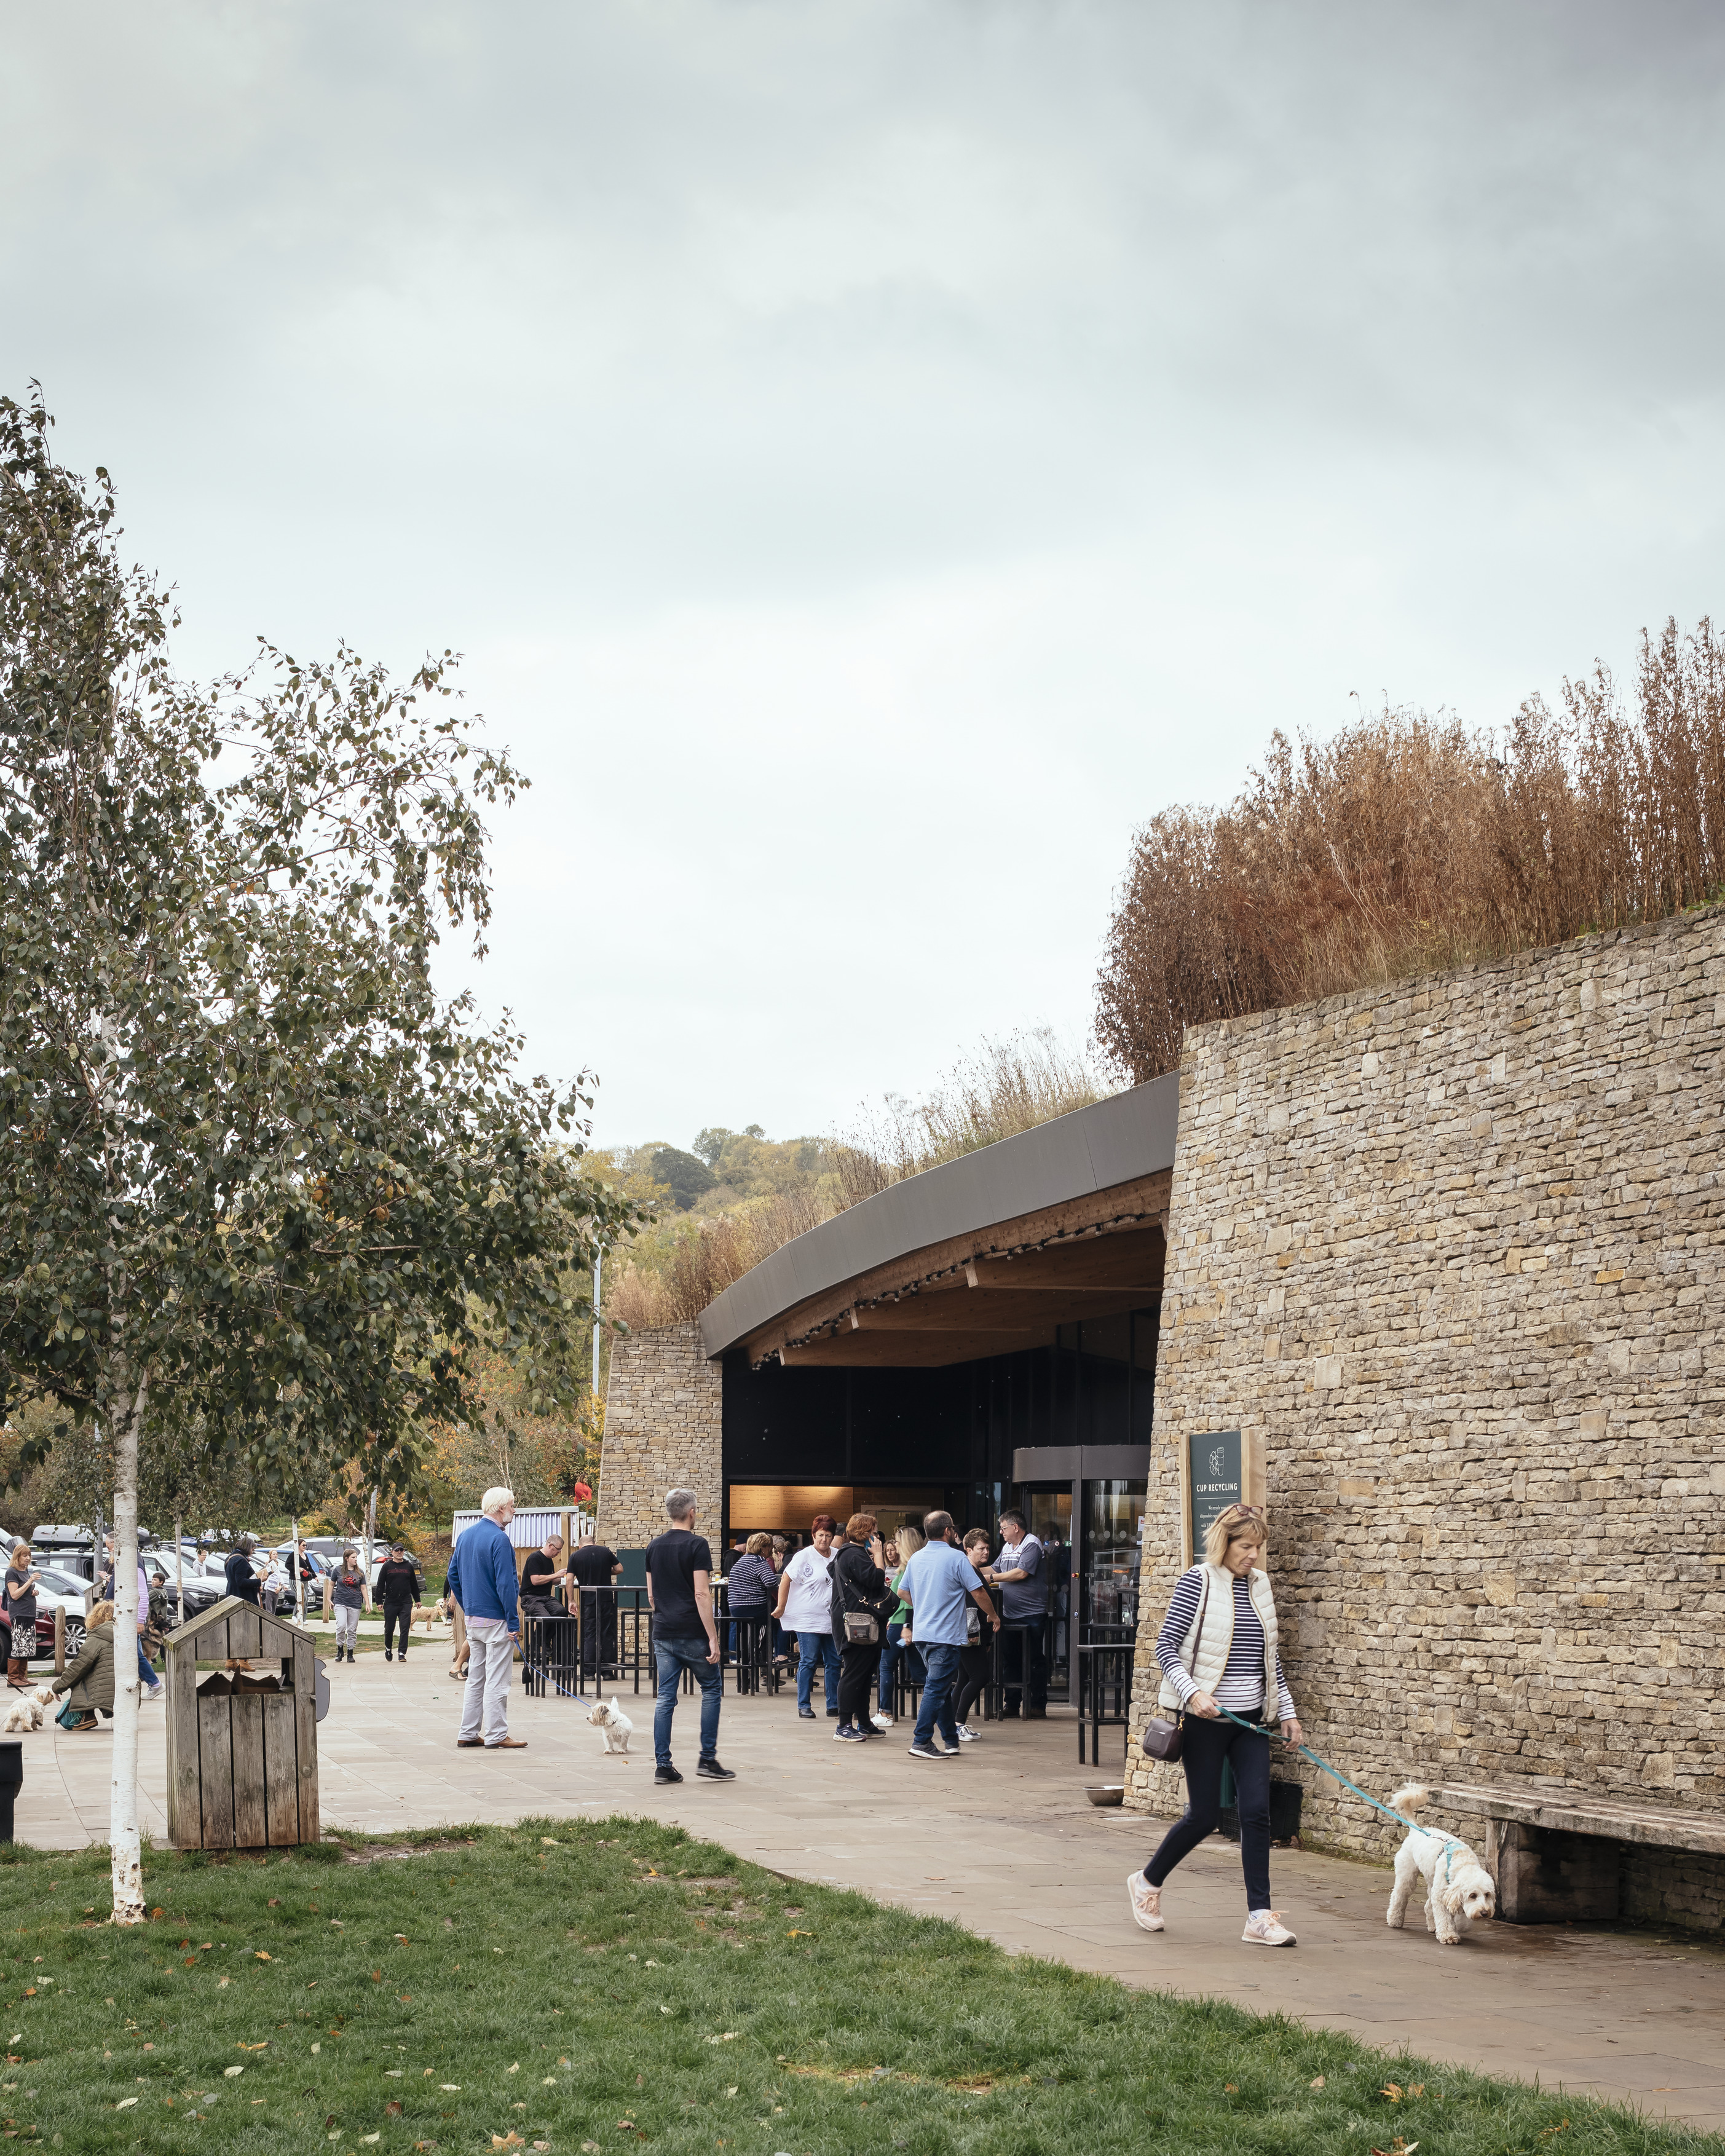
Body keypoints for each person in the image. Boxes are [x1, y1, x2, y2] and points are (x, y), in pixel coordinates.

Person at [1128, 1502, 1304, 1949]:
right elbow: (1165, 1646)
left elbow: (1271, 1661)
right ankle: (1147, 1883)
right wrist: (1194, 1693)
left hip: (1251, 1722)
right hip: (1204, 1720)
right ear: (1224, 1542)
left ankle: (1259, 1917)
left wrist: (1288, 1711)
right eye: (1246, 1546)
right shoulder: (1198, 1580)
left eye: (1258, 1547)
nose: (1253, 1555)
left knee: (1257, 1814)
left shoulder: (1260, 1585)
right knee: (1204, 1814)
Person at [645, 1487, 733, 1785]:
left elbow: (652, 1596)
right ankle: (707, 1758)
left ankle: (663, 1766)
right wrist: (713, 1637)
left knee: (665, 1699)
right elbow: (701, 1593)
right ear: (692, 1512)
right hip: (692, 1631)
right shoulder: (698, 1545)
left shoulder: (654, 1546)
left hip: (664, 1631)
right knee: (711, 1689)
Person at [899, 1512, 998, 1759]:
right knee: (936, 1688)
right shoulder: (956, 1558)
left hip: (923, 1634)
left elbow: (902, 1592)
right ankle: (921, 1740)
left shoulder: (917, 1558)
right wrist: (994, 1616)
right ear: (948, 1531)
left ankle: (951, 1740)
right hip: (945, 1636)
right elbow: (978, 1592)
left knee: (940, 1688)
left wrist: (924, 1608)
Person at [445, 1487, 526, 1748]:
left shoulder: (466, 1535)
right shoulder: (499, 1539)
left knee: (476, 1678)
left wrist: (468, 1604)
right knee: (498, 1681)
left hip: (474, 1620)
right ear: (501, 1507)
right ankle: (497, 1735)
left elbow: (453, 1575)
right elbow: (507, 1584)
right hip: (496, 1620)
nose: (514, 1510)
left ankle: (468, 1733)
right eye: (512, 1505)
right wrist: (513, 1622)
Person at [829, 1512, 891, 1742]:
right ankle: (844, 1725)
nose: (877, 1537)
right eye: (874, 1532)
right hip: (856, 1623)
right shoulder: (854, 1554)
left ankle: (864, 1722)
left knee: (865, 1674)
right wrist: (879, 1556)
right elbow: (875, 1579)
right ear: (864, 1533)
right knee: (855, 1673)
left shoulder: (851, 1554)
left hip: (863, 1621)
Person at [774, 1514, 839, 1720]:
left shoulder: (838, 1554)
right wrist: (781, 1606)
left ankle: (833, 1704)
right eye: (820, 1535)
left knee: (834, 1662)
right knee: (809, 1660)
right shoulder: (804, 1556)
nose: (824, 1540)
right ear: (814, 1535)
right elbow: (786, 1579)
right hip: (808, 1617)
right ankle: (803, 1704)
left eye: (828, 1535)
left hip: (832, 1617)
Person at [992, 1510, 1047, 1719]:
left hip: (1032, 1613)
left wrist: (990, 1578)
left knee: (1034, 1659)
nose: (1001, 1532)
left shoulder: (1031, 1544)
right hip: (1010, 1613)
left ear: (1016, 1527)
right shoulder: (1008, 1548)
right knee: (1011, 1659)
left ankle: (1037, 1704)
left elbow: (1021, 1572)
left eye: (1004, 1527)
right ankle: (1012, 1704)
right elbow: (995, 1568)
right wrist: (972, 1568)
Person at [102, 1534, 165, 1703]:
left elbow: (143, 1595)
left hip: (130, 1619)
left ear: (116, 1545)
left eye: (109, 1548)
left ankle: (155, 1683)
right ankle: (151, 1683)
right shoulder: (124, 1563)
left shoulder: (133, 1564)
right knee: (133, 1654)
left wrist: (139, 1621)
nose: (109, 1552)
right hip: (124, 1616)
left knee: (136, 1654)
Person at [874, 1522, 923, 1730]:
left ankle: (885, 1712)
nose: (895, 1546)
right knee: (919, 1671)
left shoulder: (909, 1568)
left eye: (898, 1542)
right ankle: (945, 1701)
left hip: (902, 1625)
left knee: (886, 1666)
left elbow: (909, 1600)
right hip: (901, 1623)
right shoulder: (911, 1566)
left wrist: (905, 1625)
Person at [951, 1528, 1000, 1740]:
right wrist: (991, 1620)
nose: (986, 1552)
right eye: (981, 1548)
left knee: (964, 1677)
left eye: (988, 1548)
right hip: (970, 1632)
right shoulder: (968, 1570)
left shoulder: (976, 1570)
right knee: (980, 1676)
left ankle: (952, 1722)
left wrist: (987, 1638)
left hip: (975, 1633)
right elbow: (973, 1603)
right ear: (968, 1549)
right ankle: (958, 1722)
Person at [48, 1597, 117, 1730]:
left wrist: (58, 1687)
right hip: (122, 1690)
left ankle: (86, 1716)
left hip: (106, 1690)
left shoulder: (97, 1638)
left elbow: (77, 1667)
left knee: (80, 1677)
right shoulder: (125, 1635)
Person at [725, 1532, 778, 1689]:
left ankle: (747, 1674)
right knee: (779, 1619)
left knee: (755, 1635)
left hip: (736, 1609)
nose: (771, 1550)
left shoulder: (740, 1561)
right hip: (754, 1608)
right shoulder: (759, 1561)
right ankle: (771, 1658)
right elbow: (771, 1582)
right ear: (763, 1548)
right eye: (770, 1547)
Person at [568, 1534, 622, 1678]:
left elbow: (569, 1579)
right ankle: (608, 1671)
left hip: (588, 1602)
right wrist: (606, 1571)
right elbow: (619, 1569)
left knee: (589, 1635)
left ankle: (589, 1672)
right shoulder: (605, 1551)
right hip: (606, 1600)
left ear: (580, 1545)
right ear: (594, 1542)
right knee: (607, 1635)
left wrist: (571, 1600)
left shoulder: (575, 1556)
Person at [377, 1541, 421, 1662]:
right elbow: (380, 1584)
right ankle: (388, 1648)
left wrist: (417, 1600)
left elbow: (414, 1584)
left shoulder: (409, 1566)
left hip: (406, 1602)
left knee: (405, 1628)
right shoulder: (387, 1566)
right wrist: (379, 1602)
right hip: (391, 1602)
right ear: (392, 1553)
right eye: (397, 1550)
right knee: (389, 1628)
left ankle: (402, 1653)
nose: (399, 1552)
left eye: (401, 1550)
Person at [5, 1537, 39, 1691]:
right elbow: (14, 1594)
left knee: (27, 1645)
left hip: (29, 1612)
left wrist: (33, 1592)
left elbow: (24, 1591)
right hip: (19, 1613)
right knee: (19, 1644)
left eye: (29, 1555)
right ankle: (12, 1678)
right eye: (24, 1556)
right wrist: (30, 1581)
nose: (28, 1558)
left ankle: (22, 1677)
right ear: (17, 1557)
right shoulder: (12, 1572)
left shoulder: (25, 1571)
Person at [330, 1550, 368, 1665]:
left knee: (352, 1629)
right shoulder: (338, 1570)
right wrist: (328, 1600)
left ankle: (350, 1653)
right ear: (347, 1558)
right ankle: (340, 1649)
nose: (356, 1559)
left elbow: (363, 1588)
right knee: (341, 1626)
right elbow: (331, 1585)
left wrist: (367, 1603)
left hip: (355, 1603)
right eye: (353, 1557)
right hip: (340, 1601)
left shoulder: (360, 1573)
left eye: (356, 1557)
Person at [224, 1535, 263, 1608]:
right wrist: (259, 1581)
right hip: (243, 1598)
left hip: (232, 1595)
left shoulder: (230, 1558)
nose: (252, 1552)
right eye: (253, 1550)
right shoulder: (241, 1560)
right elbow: (241, 1581)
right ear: (248, 1548)